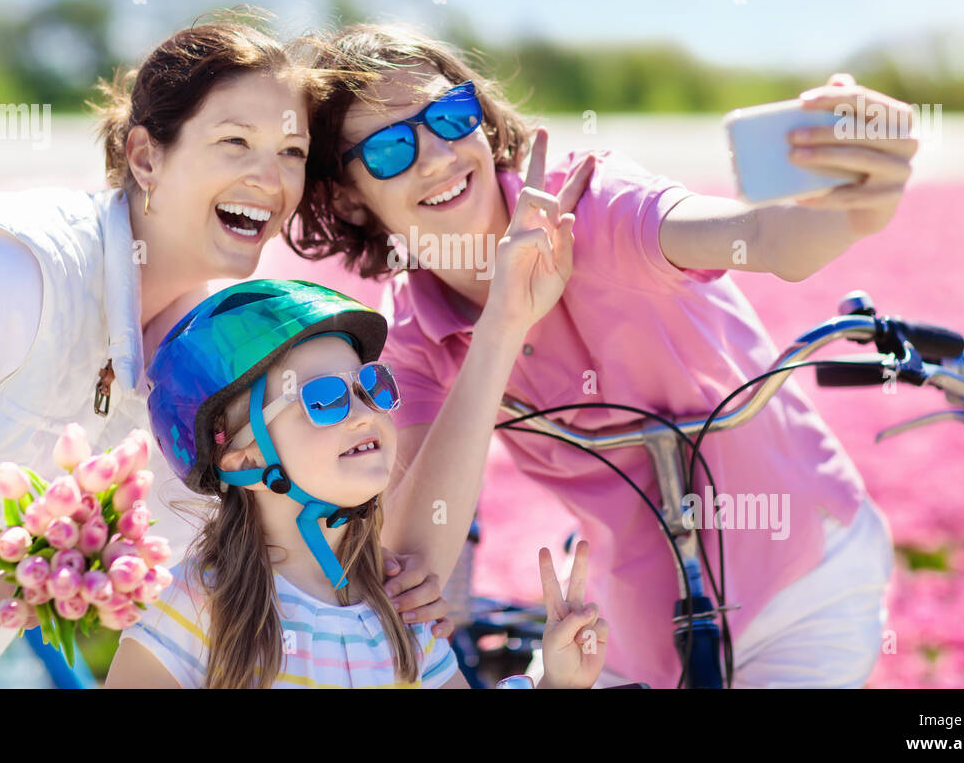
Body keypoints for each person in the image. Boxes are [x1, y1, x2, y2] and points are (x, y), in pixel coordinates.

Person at [0, 18, 447, 688]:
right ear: (144, 158)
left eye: (290, 152)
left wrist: (389, 578)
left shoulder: (194, 367)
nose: (268, 177)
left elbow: (251, 538)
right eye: (234, 142)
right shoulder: (15, 270)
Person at [285, 23, 911, 687]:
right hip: (632, 625)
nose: (437, 154)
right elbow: (418, 563)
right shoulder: (414, 332)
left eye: (450, 114)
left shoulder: (596, 205)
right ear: (348, 196)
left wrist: (857, 203)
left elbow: (762, 237)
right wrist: (502, 321)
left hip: (804, 581)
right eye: (388, 148)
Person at [106, 279, 607, 688]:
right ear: (246, 457)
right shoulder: (196, 607)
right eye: (324, 399)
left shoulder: (403, 619)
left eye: (372, 386)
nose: (364, 414)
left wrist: (558, 683)